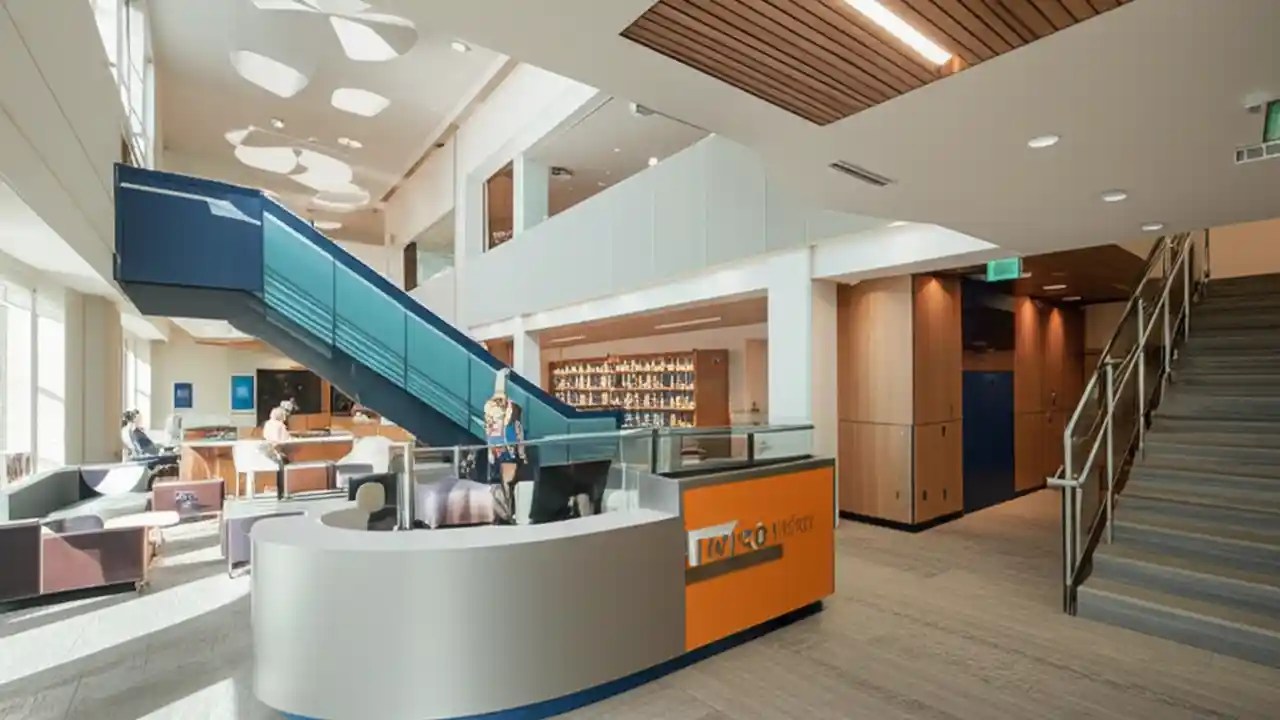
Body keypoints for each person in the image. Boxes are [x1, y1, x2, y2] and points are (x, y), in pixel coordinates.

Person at [483, 369, 525, 521]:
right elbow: (516, 433)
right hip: (505, 451)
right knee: (506, 484)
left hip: (498, 451)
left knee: (501, 484)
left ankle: (504, 513)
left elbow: (489, 431)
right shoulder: (510, 411)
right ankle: (506, 513)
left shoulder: (491, 411)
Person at [262, 406, 292, 500]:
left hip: (267, 454)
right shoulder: (280, 425)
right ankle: (283, 491)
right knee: (285, 463)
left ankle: (281, 491)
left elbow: (266, 437)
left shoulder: (267, 424)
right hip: (277, 455)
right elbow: (286, 440)